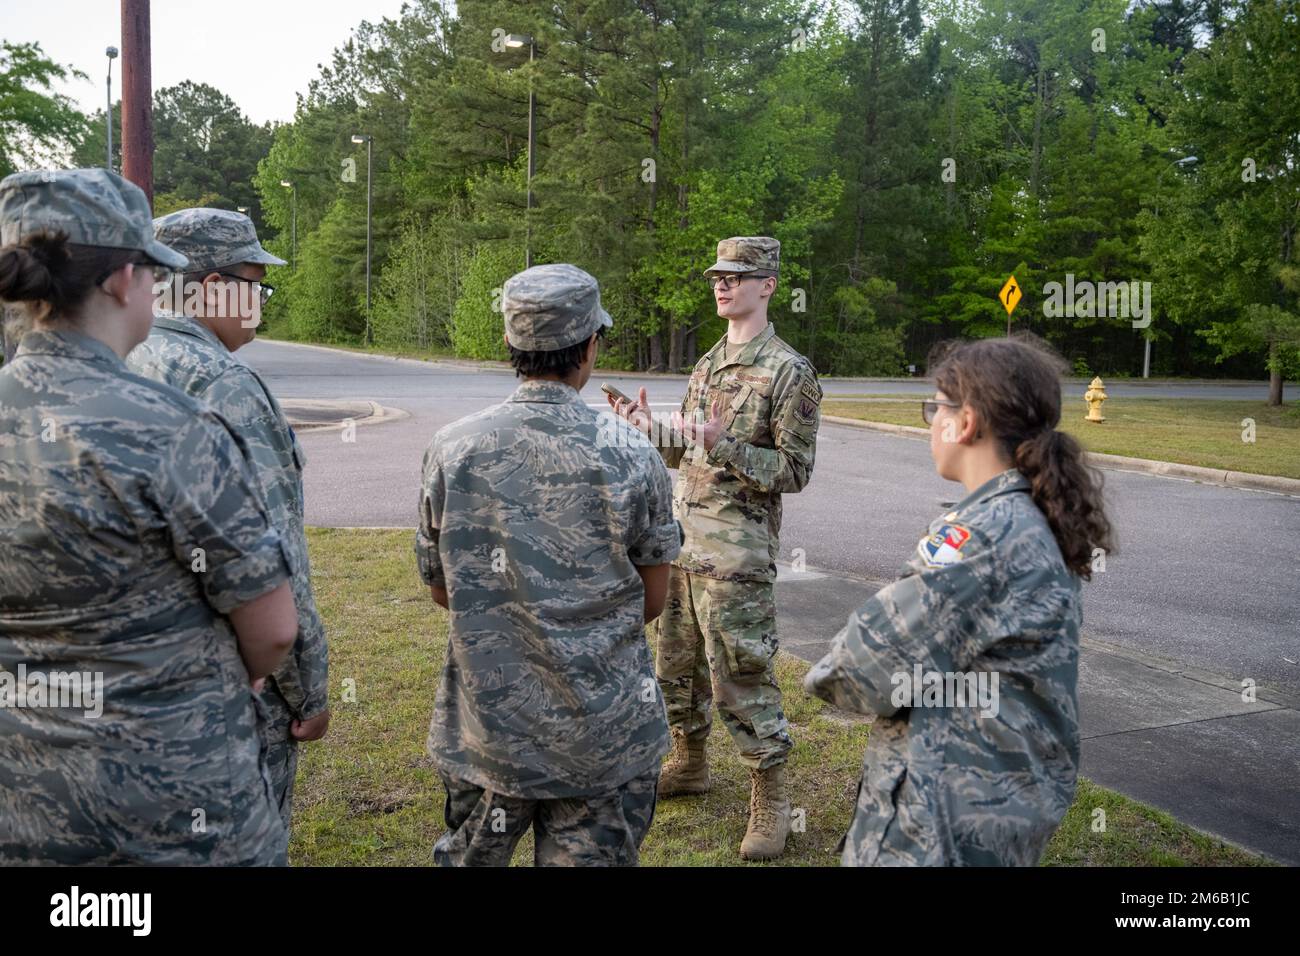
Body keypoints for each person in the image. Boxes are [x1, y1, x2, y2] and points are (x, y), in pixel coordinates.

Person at [0, 168, 297, 865]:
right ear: (122, 280)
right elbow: (274, 629)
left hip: (24, 803)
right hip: (172, 802)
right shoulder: (175, 428)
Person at [804, 335, 1114, 866]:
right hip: (991, 809)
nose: (931, 423)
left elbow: (858, 670)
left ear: (966, 422)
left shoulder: (981, 536)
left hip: (945, 826)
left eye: (936, 408)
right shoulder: (1024, 515)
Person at [416, 263, 681, 866]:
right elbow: (653, 600)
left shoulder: (453, 446)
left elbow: (442, 589)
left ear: (511, 345)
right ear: (589, 345)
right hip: (602, 734)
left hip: (490, 729)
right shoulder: (633, 452)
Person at [608, 236, 821, 860]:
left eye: (736, 276)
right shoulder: (706, 364)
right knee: (677, 669)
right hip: (683, 542)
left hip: (737, 553)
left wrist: (722, 443)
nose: (722, 285)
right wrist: (650, 433)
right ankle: (690, 761)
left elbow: (796, 470)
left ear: (768, 286)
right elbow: (689, 450)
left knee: (742, 674)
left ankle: (771, 795)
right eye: (718, 277)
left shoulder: (789, 370)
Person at [127, 208, 330, 828]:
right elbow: (275, 557)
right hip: (227, 688)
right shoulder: (224, 384)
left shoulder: (113, 361)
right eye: (256, 284)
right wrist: (309, 690)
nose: (262, 300)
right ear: (213, 288)